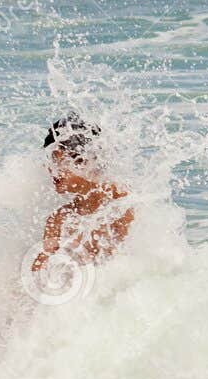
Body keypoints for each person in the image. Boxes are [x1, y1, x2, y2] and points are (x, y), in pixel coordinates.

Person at [31, 113, 133, 273]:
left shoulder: (122, 202)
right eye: (49, 161)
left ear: (83, 161)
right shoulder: (59, 218)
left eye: (56, 161)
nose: (50, 169)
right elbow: (37, 273)